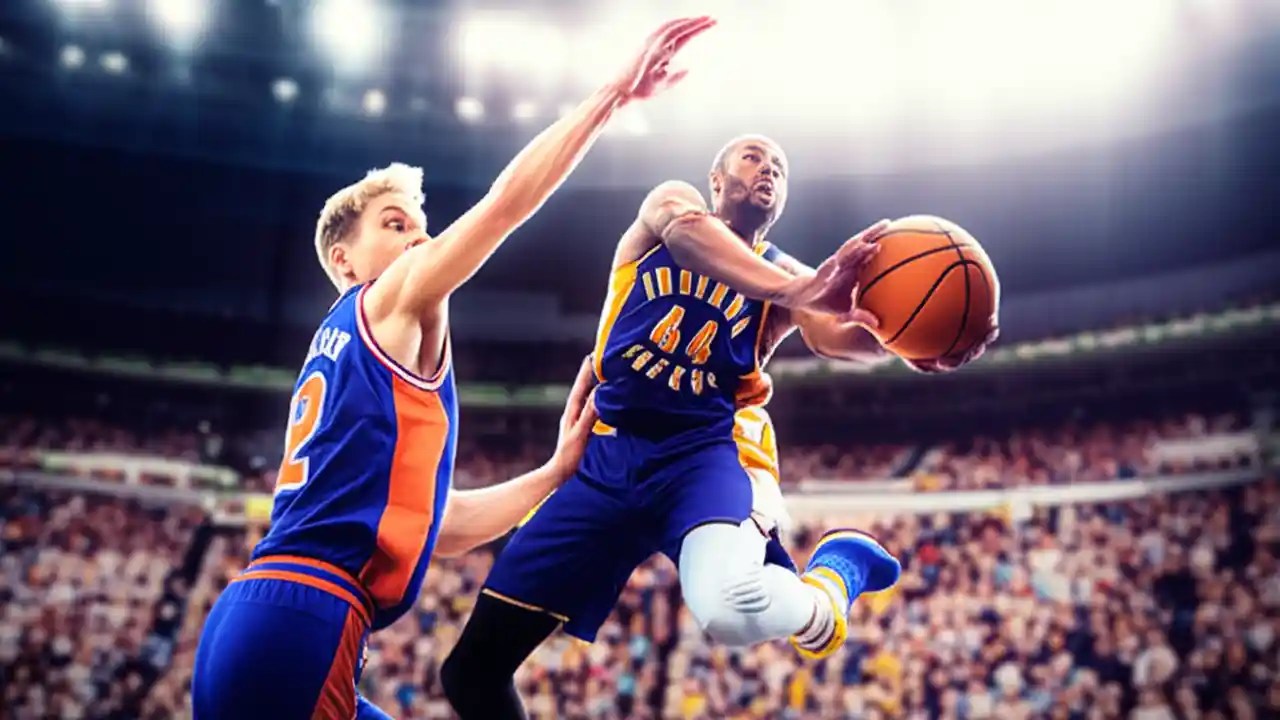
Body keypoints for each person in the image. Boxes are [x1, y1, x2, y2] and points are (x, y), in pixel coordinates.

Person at [189, 16, 717, 719]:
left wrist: (556, 473)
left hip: (271, 616)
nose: (420, 235)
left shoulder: (349, 342)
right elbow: (504, 207)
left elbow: (441, 524)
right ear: (343, 261)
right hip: (303, 615)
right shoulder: (388, 302)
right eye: (394, 223)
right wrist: (612, 96)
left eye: (419, 222)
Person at [442, 133, 996, 718]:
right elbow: (687, 237)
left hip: (705, 455)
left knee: (730, 614)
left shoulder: (783, 273)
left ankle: (831, 589)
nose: (768, 169)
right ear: (716, 176)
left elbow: (838, 330)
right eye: (754, 157)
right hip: (606, 454)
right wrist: (799, 289)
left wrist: (910, 342)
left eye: (780, 167)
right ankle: (818, 603)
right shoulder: (671, 206)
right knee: (471, 674)